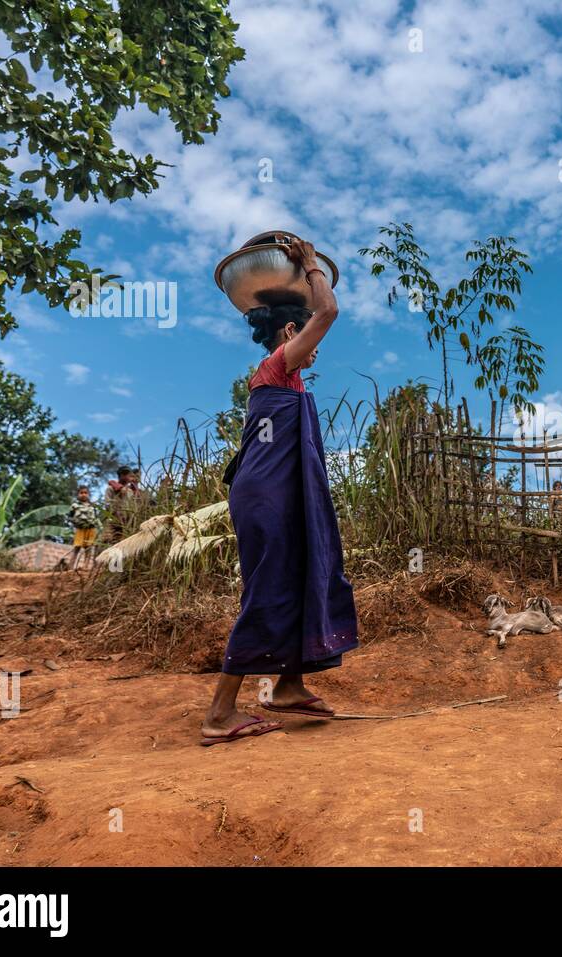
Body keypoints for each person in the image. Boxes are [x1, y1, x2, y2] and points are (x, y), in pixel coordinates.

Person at [201, 237, 358, 746]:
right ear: (292, 331)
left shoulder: (286, 381)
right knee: (267, 590)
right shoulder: (277, 365)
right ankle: (219, 714)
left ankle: (289, 686)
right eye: (307, 336)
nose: (316, 350)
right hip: (265, 498)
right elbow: (329, 308)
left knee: (305, 572)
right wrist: (311, 265)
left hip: (276, 495)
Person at [65, 485, 100, 570]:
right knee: (77, 547)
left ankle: (85, 566)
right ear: (78, 494)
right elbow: (69, 516)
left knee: (88, 548)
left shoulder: (92, 506)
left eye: (85, 493)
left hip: (91, 529)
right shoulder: (74, 505)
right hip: (80, 529)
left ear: (88, 494)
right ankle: (71, 567)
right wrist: (74, 522)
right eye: (81, 493)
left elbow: (96, 517)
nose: (83, 494)